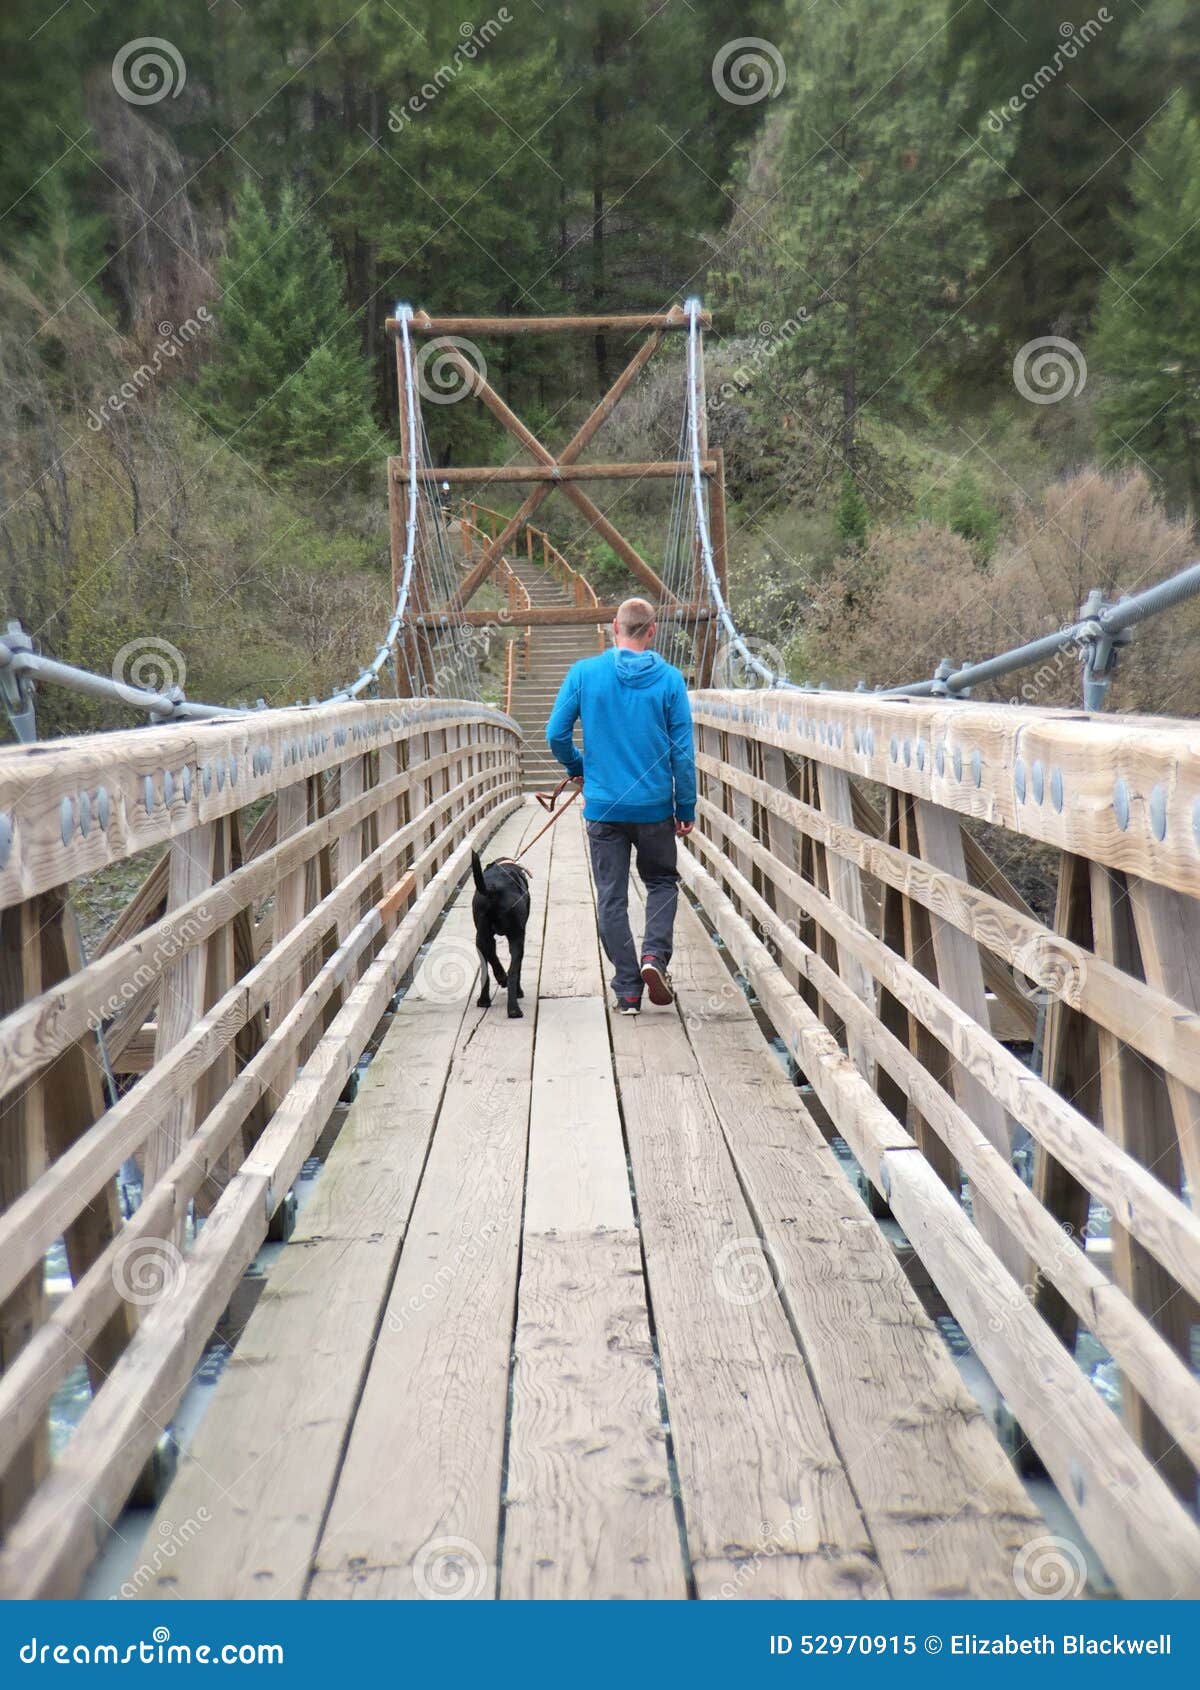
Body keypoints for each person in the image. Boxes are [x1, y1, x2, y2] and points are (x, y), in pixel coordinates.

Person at [545, 597, 696, 1016]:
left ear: (615, 627)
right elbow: (682, 753)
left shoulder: (584, 673)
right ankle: (654, 959)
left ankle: (628, 990)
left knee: (612, 896)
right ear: (651, 631)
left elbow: (555, 732)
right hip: (653, 809)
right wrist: (685, 805)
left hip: (605, 808)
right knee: (662, 883)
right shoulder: (670, 681)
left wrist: (580, 768)